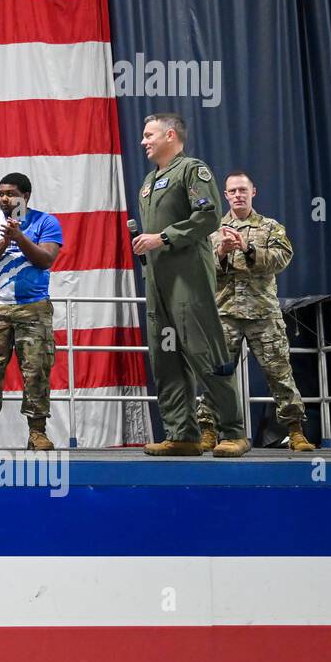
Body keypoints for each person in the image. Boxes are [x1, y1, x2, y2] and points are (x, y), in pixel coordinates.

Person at [132, 113, 248, 457]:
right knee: (165, 360)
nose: (143, 141)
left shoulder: (192, 170)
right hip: (157, 284)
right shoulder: (148, 182)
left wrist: (163, 238)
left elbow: (208, 216)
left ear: (170, 135)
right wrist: (148, 247)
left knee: (205, 354)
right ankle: (182, 434)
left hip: (188, 281)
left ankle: (234, 432)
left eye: (149, 134)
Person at [195, 171, 314, 452]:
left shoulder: (270, 227)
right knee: (216, 377)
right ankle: (208, 431)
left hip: (263, 313)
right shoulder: (212, 230)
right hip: (225, 314)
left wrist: (248, 248)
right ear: (225, 195)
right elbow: (201, 271)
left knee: (279, 373)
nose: (238, 195)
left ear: (253, 192)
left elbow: (282, 259)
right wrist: (221, 252)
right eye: (233, 191)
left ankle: (296, 431)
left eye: (242, 190)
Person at [0, 173, 63, 451]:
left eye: (11, 193)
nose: (5, 198)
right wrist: (4, 242)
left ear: (26, 196)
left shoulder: (46, 222)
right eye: (1, 193)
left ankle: (37, 431)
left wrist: (20, 237)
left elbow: (46, 259)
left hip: (34, 309)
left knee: (36, 371)